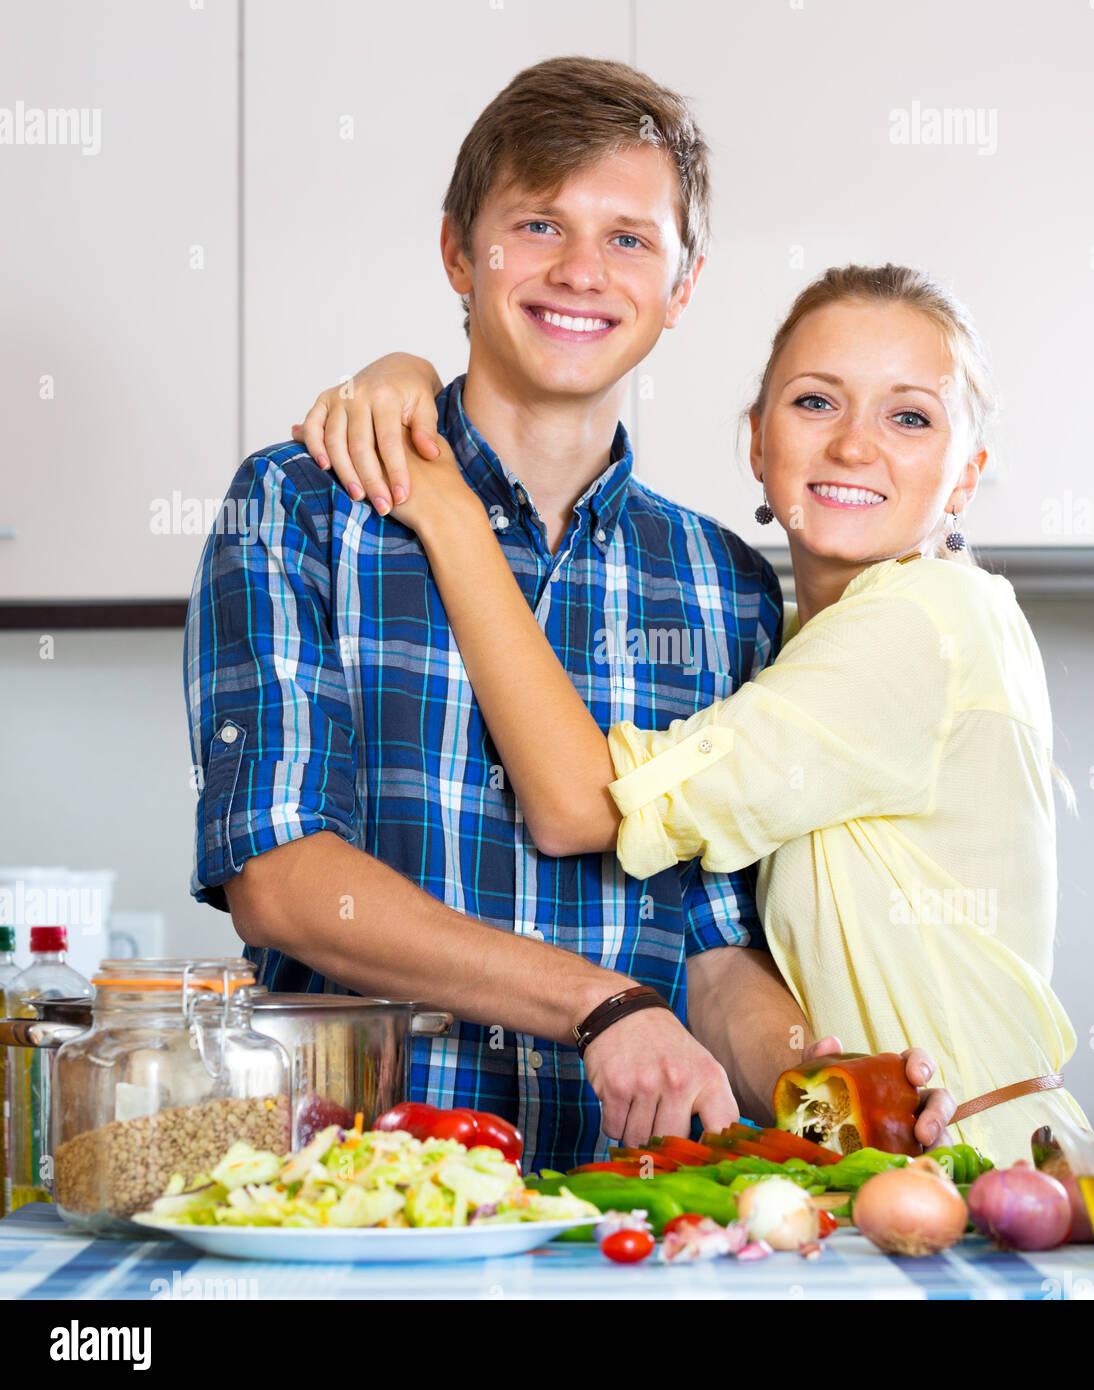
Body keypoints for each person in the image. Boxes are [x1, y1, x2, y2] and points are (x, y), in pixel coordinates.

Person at [185, 56, 953, 1171]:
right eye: (539, 226)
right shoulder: (302, 508)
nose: (582, 272)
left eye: (631, 238)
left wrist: (822, 1084)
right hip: (359, 1201)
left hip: (631, 1218)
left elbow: (710, 945)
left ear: (683, 287)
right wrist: (597, 1004)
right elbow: (285, 882)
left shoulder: (724, 582)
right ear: (459, 249)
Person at [296, 262, 1090, 1165]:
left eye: (910, 417)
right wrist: (404, 374)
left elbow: (580, 805)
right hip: (887, 1156)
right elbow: (716, 938)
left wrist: (452, 516)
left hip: (977, 1165)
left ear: (966, 479)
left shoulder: (927, 622)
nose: (856, 446)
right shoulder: (786, 642)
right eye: (816, 402)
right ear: (757, 444)